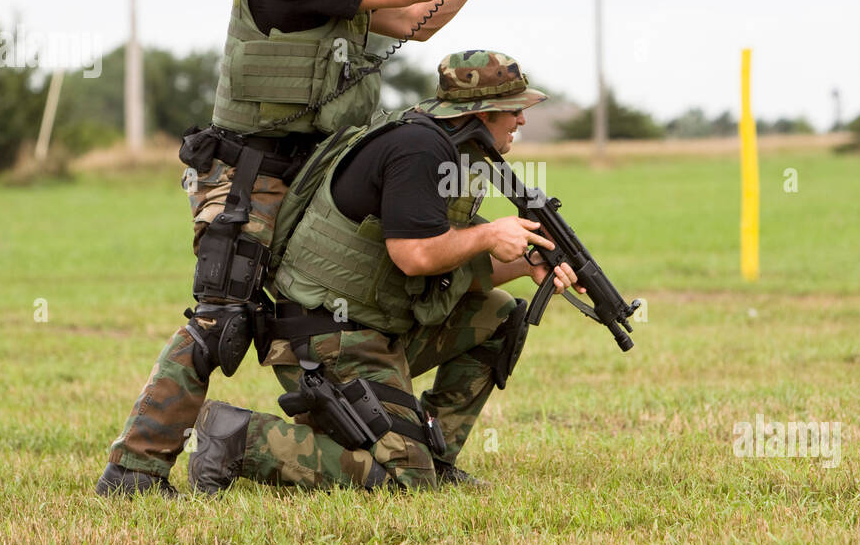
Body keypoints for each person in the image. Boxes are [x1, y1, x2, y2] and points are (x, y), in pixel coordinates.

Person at [96, 0, 530, 497]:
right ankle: (134, 467)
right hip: (248, 175)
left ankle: (403, 442)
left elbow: (418, 20)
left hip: (306, 173)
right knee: (223, 318)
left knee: (331, 300)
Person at [186, 50, 583, 493]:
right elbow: (414, 256)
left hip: (375, 328)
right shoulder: (419, 149)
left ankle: (433, 453)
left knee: (499, 313)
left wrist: (528, 263)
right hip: (330, 340)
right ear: (483, 112)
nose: (522, 121)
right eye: (515, 110)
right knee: (403, 481)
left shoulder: (444, 147)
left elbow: (449, 262)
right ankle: (239, 437)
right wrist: (489, 235)